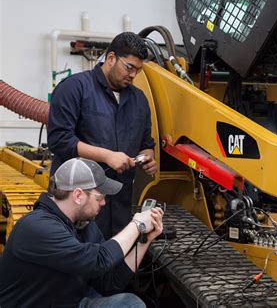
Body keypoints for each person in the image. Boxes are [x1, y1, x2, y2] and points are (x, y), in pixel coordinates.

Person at [0, 157, 163, 308]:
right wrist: (136, 225)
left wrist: (144, 241)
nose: (104, 202)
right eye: (100, 196)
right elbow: (99, 260)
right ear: (78, 195)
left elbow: (109, 283)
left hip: (67, 301)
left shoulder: (83, 225)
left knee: (129, 304)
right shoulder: (37, 227)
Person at [48, 32, 157, 239]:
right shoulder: (74, 88)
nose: (133, 75)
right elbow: (59, 140)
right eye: (129, 67)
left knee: (112, 262)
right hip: (77, 203)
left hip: (119, 206)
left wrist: (148, 157)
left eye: (138, 70)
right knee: (77, 262)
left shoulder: (139, 100)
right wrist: (107, 156)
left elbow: (145, 142)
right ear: (111, 58)